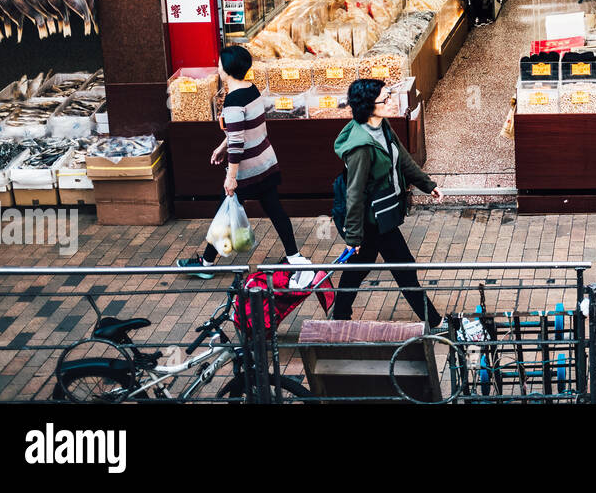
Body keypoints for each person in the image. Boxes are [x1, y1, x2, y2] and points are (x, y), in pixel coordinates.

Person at [177, 46, 313, 285]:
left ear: (227, 69)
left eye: (219, 62)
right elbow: (243, 130)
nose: (217, 66)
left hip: (247, 172)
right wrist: (222, 146)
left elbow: (238, 143)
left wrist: (231, 177)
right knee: (275, 209)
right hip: (266, 163)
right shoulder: (252, 89)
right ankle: (294, 256)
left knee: (224, 214)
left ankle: (206, 264)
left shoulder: (232, 102)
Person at [332, 78, 444, 327]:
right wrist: (353, 237)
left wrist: (428, 185)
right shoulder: (360, 147)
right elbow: (354, 194)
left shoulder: (382, 127)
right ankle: (434, 322)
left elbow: (402, 158)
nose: (390, 101)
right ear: (368, 106)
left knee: (358, 269)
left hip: (381, 213)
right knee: (404, 269)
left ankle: (339, 316)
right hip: (372, 219)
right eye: (385, 98)